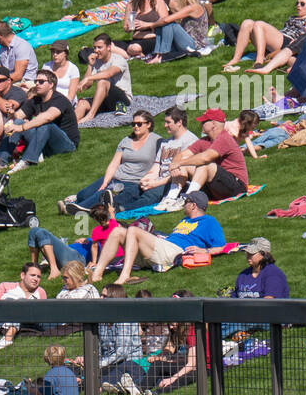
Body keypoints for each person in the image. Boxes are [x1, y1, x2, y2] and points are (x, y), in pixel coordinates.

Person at [91, 191, 225, 287]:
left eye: (186, 201)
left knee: (133, 230)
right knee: (117, 231)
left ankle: (125, 275)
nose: (184, 204)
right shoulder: (185, 220)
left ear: (193, 205)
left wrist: (205, 251)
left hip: (173, 253)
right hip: (161, 250)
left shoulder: (209, 221)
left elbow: (222, 246)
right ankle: (97, 274)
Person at [60, 109, 161, 213]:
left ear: (148, 124)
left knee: (102, 194)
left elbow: (162, 163)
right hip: (117, 177)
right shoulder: (126, 140)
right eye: (133, 124)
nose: (135, 126)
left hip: (133, 182)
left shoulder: (156, 141)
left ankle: (75, 209)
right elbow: (114, 164)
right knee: (84, 194)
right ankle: (77, 201)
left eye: (139, 124)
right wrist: (105, 182)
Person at [0, 68, 79, 174]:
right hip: (45, 143)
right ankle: (0, 161)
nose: (37, 84)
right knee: (17, 122)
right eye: (36, 81)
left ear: (51, 85)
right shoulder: (35, 100)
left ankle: (27, 161)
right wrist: (12, 113)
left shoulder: (60, 100)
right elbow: (18, 117)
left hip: (66, 145)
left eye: (41, 82)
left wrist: (22, 127)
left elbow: (48, 117)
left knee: (46, 125)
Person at [161, 107, 248, 207]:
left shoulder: (224, 138)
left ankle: (188, 199)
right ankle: (170, 198)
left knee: (204, 164)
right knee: (185, 163)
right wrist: (175, 165)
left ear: (213, 124)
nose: (201, 124)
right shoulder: (205, 140)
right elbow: (181, 155)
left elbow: (205, 158)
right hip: (217, 186)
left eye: (204, 121)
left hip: (236, 187)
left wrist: (179, 163)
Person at [222, 0, 306, 73]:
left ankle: (259, 61)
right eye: (297, 3)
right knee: (247, 23)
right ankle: (235, 59)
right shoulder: (292, 18)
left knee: (259, 24)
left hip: (289, 43)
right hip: (279, 39)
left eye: (302, 4)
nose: (298, 5)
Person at [71, 34, 132, 123]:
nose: (96, 51)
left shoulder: (118, 59)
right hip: (104, 99)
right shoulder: (96, 62)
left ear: (109, 47)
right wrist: (90, 65)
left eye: (99, 47)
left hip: (121, 99)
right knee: (82, 103)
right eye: (95, 48)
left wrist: (88, 78)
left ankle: (90, 115)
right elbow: (87, 86)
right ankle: (70, 126)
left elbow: (109, 73)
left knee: (103, 81)